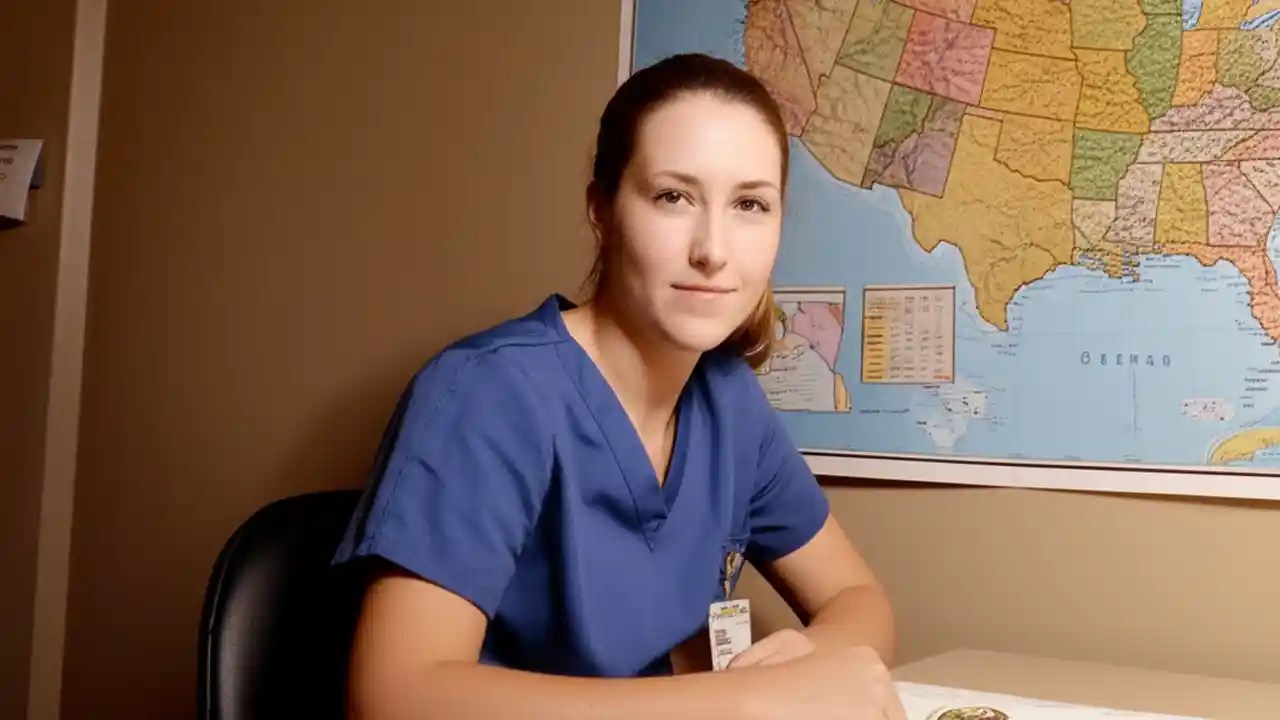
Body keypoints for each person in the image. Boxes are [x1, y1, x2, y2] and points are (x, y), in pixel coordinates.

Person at [333, 52, 905, 720]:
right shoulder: (486, 393)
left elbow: (861, 601)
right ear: (602, 211)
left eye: (750, 204)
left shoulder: (729, 403)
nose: (713, 249)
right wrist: (739, 702)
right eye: (673, 197)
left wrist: (824, 656)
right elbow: (393, 696)